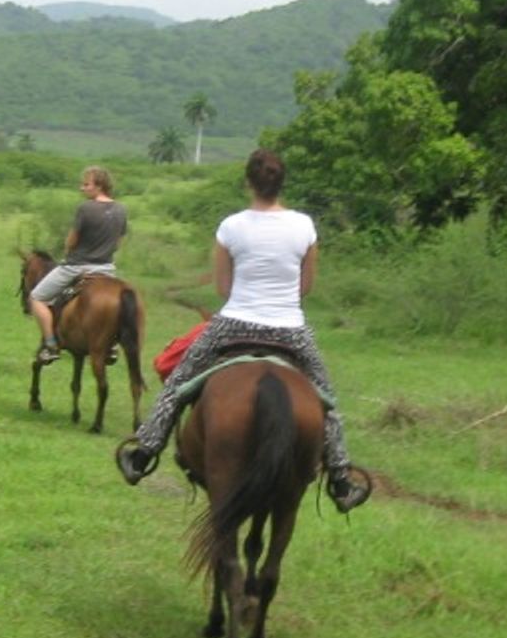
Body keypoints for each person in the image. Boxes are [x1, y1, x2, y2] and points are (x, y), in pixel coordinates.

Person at [115, 147, 369, 512]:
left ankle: (143, 454)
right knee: (326, 400)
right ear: (282, 184)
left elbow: (222, 288)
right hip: (290, 329)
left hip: (234, 323)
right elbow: (305, 287)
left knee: (177, 386)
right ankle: (342, 480)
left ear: (248, 183)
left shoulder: (231, 226)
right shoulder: (304, 226)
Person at [29, 165, 128, 365]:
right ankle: (113, 344)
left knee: (36, 298)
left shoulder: (85, 208)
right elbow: (117, 242)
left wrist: (68, 250)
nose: (82, 188)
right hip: (107, 269)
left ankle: (50, 345)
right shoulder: (121, 209)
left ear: (99, 186)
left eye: (86, 184)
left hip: (77, 266)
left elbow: (71, 241)